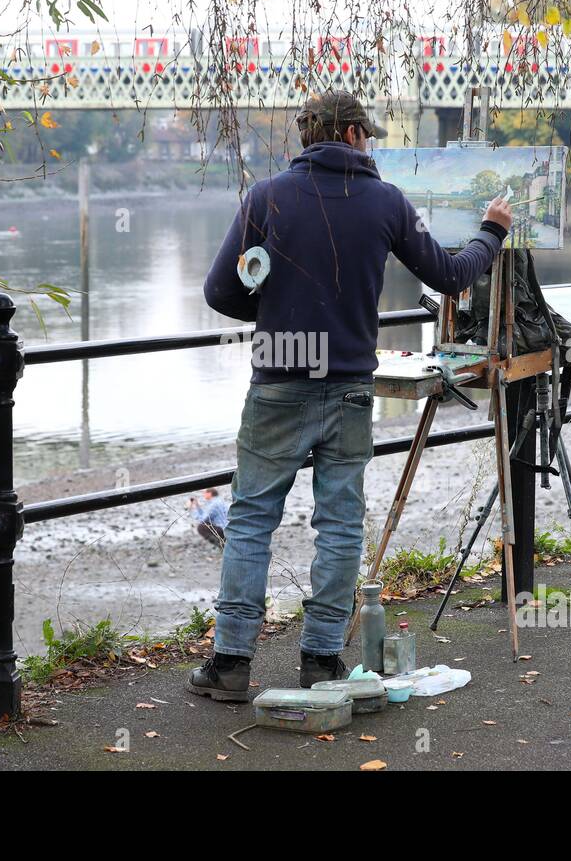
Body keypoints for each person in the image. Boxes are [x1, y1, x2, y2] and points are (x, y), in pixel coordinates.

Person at [187, 90, 512, 702]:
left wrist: (277, 311)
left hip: (279, 377)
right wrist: (491, 234)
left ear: (308, 137)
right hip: (349, 386)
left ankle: (230, 664)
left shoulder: (265, 198)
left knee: (253, 518)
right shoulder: (384, 201)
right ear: (358, 136)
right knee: (339, 524)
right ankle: (320, 662)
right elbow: (450, 275)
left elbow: (220, 293)